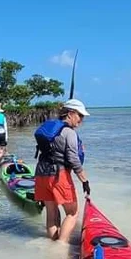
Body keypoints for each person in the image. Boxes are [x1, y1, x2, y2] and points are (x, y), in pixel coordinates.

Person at [33, 99, 91, 243]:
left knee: (51, 213)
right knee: (72, 213)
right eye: (80, 116)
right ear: (70, 113)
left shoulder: (50, 128)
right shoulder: (68, 132)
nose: (81, 120)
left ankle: (52, 244)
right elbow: (73, 159)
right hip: (59, 176)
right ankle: (61, 246)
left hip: (41, 174)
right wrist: (84, 180)